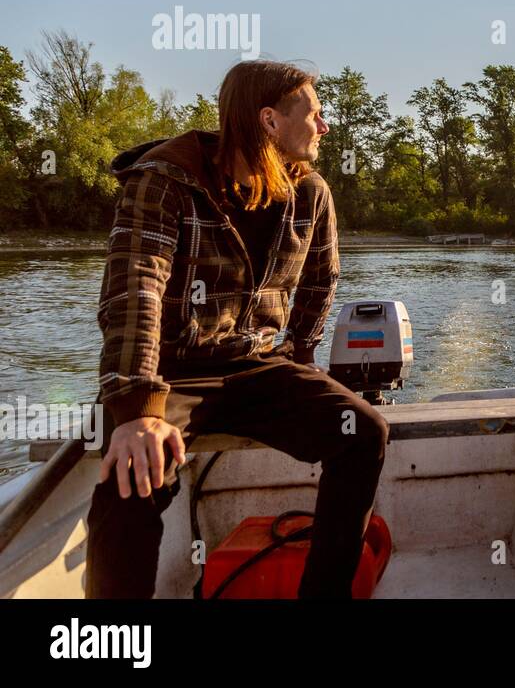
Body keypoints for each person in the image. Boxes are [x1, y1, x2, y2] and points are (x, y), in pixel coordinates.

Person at [85, 59, 389, 599]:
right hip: (173, 371)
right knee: (132, 473)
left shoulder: (311, 192)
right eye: (315, 114)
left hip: (257, 364)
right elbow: (135, 290)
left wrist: (300, 356)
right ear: (269, 121)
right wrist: (135, 410)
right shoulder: (163, 180)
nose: (324, 126)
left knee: (362, 432)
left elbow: (322, 280)